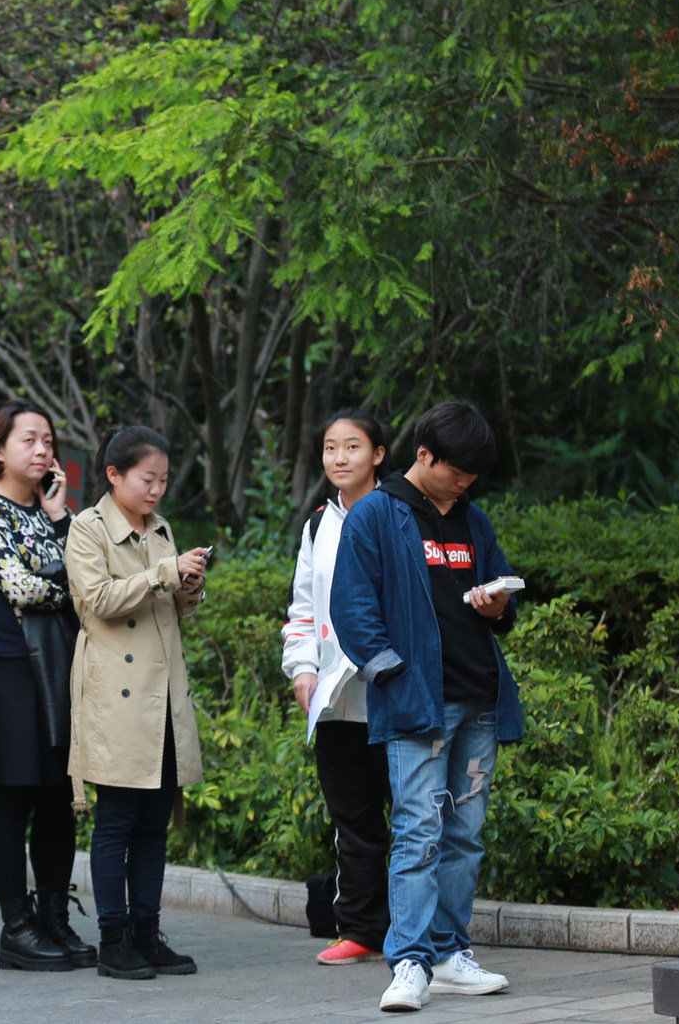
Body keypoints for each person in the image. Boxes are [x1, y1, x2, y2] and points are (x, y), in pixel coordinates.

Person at [329, 400, 525, 1014]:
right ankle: (409, 962)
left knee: (465, 834)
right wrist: (393, 672)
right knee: (418, 832)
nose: (464, 482)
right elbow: (351, 607)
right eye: (456, 471)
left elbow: (501, 589)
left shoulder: (474, 519)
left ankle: (449, 955)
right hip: (419, 704)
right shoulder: (377, 516)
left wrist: (499, 604)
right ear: (424, 455)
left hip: (480, 698)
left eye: (473, 475)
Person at [65, 425, 207, 981]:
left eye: (163, 481)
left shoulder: (161, 528)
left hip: (163, 696)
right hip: (117, 698)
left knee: (153, 822)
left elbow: (174, 610)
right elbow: (96, 600)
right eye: (147, 479)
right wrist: (164, 573)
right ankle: (113, 938)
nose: (156, 491)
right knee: (118, 821)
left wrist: (189, 586)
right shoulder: (87, 528)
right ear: (114, 475)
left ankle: (147, 933)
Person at [0, 401, 92, 971]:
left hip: (58, 669)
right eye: (29, 440)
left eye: (48, 441)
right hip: (10, 671)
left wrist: (61, 520)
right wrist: (75, 590)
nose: (42, 450)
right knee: (13, 800)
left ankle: (53, 920)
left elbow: (75, 573)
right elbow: (24, 590)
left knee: (59, 804)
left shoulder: (47, 513)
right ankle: (16, 928)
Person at [283, 408, 396, 966]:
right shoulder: (316, 524)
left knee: (414, 813)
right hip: (334, 700)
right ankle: (359, 927)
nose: (340, 458)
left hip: (392, 694)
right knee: (353, 820)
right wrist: (302, 668)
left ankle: (416, 930)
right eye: (330, 448)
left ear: (378, 454)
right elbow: (302, 609)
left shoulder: (400, 514)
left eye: (353, 447)